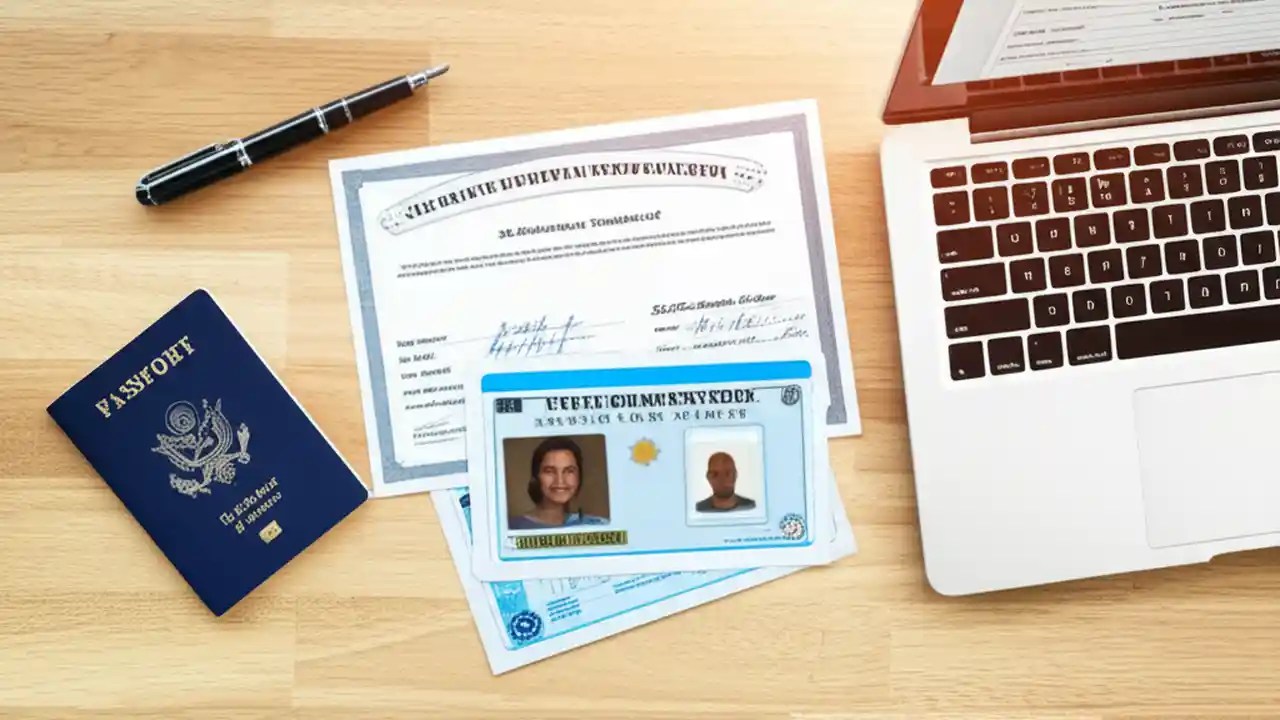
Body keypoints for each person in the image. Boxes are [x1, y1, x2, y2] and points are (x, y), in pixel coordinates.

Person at [509, 436, 609, 529]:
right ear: (536, 476)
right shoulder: (514, 527)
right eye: (549, 471)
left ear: (579, 476)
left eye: (569, 471)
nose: (560, 481)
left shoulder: (596, 525)